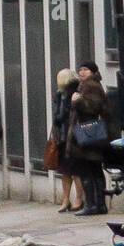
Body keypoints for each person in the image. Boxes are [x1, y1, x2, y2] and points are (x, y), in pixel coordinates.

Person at [65, 61, 110, 216]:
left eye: (86, 69)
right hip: (90, 135)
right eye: (81, 69)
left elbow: (92, 107)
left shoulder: (90, 85)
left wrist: (76, 100)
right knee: (94, 170)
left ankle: (92, 204)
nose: (82, 72)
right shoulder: (89, 84)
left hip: (87, 135)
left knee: (87, 170)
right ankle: (99, 204)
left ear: (92, 72)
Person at [50, 68, 85, 213]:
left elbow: (73, 114)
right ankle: (65, 199)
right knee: (65, 171)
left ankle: (79, 198)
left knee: (76, 170)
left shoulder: (75, 93)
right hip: (62, 137)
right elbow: (57, 114)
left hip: (74, 137)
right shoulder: (59, 95)